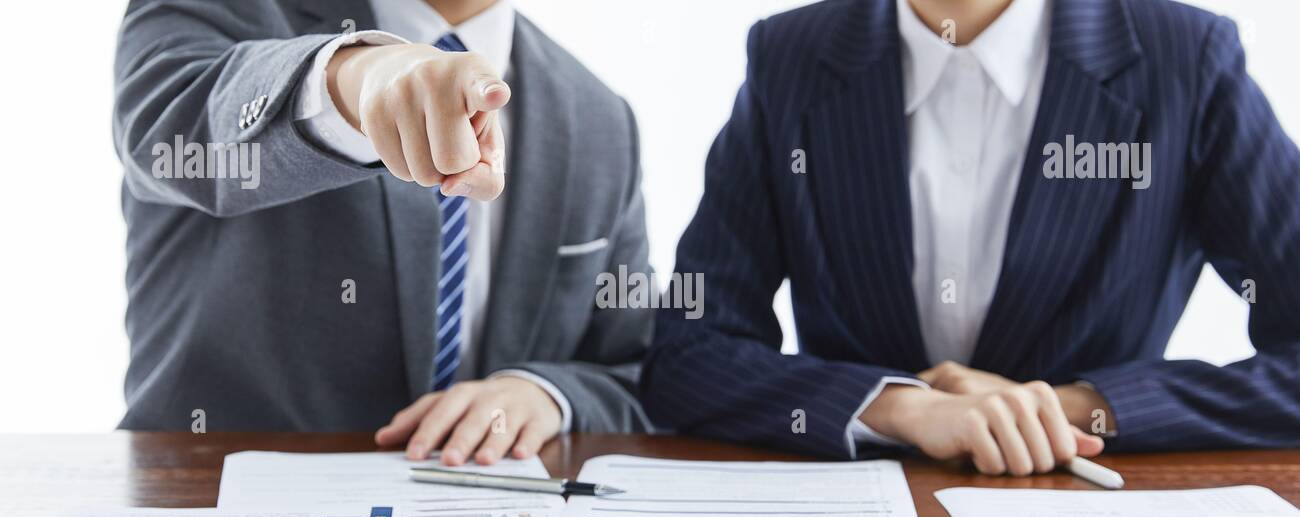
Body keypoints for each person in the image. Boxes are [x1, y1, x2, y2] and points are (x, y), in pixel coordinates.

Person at [641, 0, 1300, 475]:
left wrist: (1080, 406)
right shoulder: (788, 60)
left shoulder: (1186, 61)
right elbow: (686, 354)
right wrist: (901, 407)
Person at [114, 0, 654, 465]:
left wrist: (546, 393)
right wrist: (352, 77)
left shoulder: (601, 118)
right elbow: (165, 136)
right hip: (211, 513)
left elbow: (635, 370)